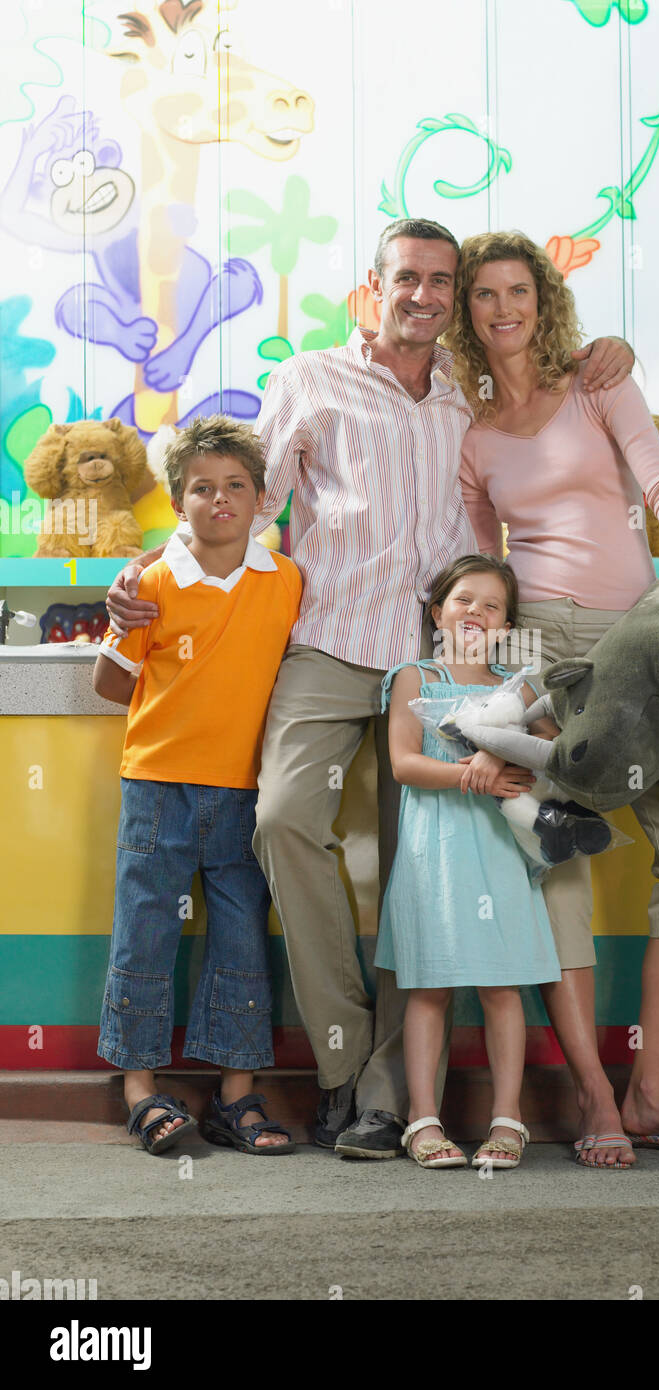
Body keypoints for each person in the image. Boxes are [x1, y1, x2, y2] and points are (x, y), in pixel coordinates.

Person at [105, 217, 635, 1159]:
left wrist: (605, 351)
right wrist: (151, 567)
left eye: (443, 281)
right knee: (279, 822)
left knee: (416, 871)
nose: (425, 295)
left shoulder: (469, 392)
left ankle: (386, 1100)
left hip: (432, 667)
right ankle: (347, 1055)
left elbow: (542, 388)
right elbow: (243, 502)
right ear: (374, 285)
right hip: (323, 644)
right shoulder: (309, 377)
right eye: (408, 279)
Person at [447, 230, 659, 1167]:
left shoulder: (599, 383)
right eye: (484, 297)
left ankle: (653, 1091)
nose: (504, 310)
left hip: (644, 640)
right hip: (547, 649)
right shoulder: (471, 437)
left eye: (519, 291)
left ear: (544, 301)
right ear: (468, 316)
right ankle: (594, 1092)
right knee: (558, 855)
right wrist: (490, 698)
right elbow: (485, 572)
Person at [93, 416, 302, 1155]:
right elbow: (108, 684)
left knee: (243, 936)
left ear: (260, 498)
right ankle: (141, 1090)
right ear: (180, 503)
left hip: (245, 790)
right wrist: (122, 620)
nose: (220, 500)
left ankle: (236, 1095)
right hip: (157, 787)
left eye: (235, 487)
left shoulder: (287, 581)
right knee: (145, 930)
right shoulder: (150, 581)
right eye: (201, 489)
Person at [379, 554, 562, 1168]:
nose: (476, 613)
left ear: (507, 626)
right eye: (463, 600)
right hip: (435, 852)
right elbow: (404, 764)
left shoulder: (521, 689)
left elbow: (548, 755)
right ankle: (422, 1120)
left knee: (500, 986)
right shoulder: (415, 678)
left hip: (499, 855)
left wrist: (501, 759)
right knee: (429, 987)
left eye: (491, 606)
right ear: (437, 613)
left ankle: (507, 1122)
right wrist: (472, 772)